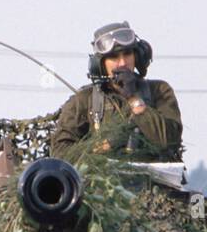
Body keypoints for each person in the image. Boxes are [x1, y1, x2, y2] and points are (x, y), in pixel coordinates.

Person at [49, 21, 183, 161]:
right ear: (100, 64)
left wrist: (134, 98)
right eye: (114, 57)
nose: (123, 63)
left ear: (137, 57)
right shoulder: (85, 100)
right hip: (102, 180)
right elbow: (60, 153)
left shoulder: (159, 91)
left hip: (153, 180)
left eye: (127, 54)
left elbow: (170, 141)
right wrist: (102, 147)